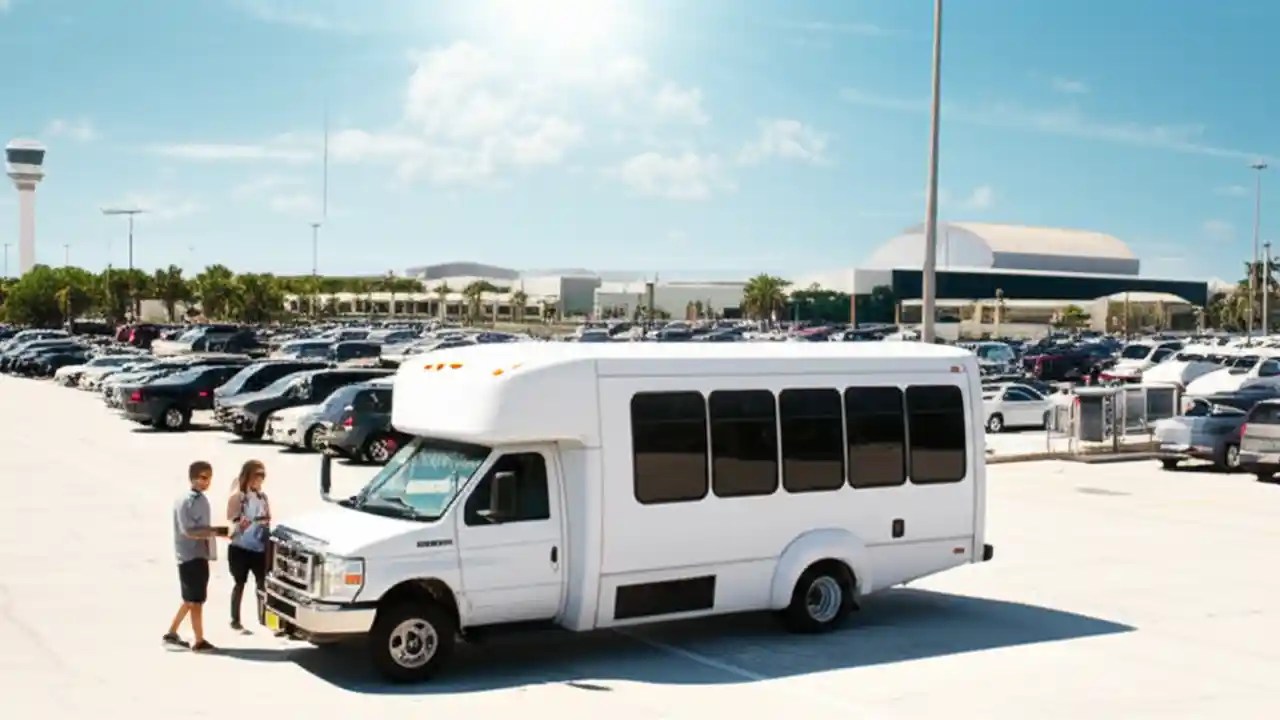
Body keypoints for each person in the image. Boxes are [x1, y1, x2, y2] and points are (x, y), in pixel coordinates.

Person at [165, 460, 228, 652]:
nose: (206, 482)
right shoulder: (188, 501)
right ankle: (199, 640)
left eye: (209, 478)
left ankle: (171, 633)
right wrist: (215, 531)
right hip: (190, 555)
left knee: (190, 599)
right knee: (196, 602)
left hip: (197, 554)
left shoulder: (198, 499)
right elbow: (189, 531)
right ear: (192, 478)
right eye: (203, 477)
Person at [226, 459, 272, 632]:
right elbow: (232, 518)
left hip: (258, 548)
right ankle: (235, 619)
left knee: (262, 585)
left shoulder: (262, 498)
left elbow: (268, 519)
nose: (260, 479)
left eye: (262, 475)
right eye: (257, 475)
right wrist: (245, 521)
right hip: (240, 547)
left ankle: (265, 618)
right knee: (239, 583)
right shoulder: (239, 497)